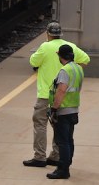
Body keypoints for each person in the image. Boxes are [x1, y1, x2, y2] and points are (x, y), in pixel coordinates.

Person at [24, 21, 89, 168]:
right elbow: (85, 59)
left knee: (40, 124)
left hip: (45, 94)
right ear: (60, 34)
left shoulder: (45, 47)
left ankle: (39, 157)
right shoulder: (69, 46)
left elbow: (33, 61)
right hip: (63, 96)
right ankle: (55, 155)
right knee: (58, 126)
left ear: (48, 34)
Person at [46, 43, 84, 180]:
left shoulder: (65, 71)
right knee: (69, 139)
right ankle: (67, 164)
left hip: (63, 110)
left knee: (62, 141)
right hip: (74, 109)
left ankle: (63, 169)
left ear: (61, 56)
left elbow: (61, 90)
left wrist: (54, 109)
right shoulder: (78, 68)